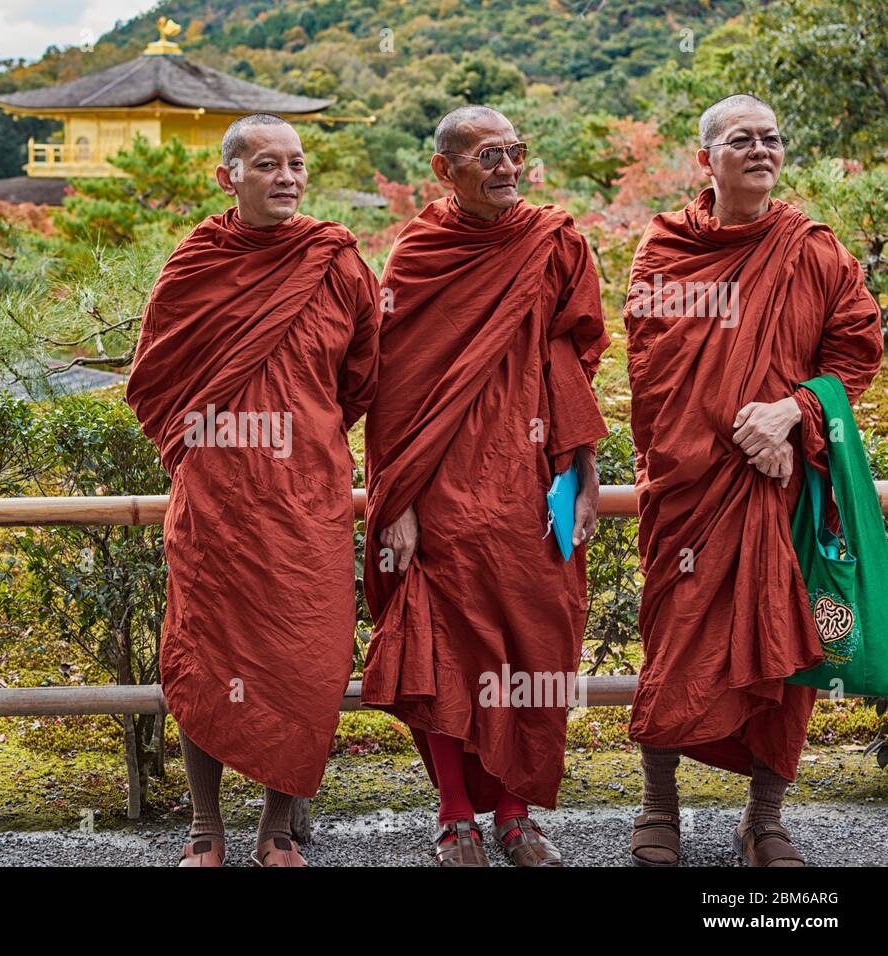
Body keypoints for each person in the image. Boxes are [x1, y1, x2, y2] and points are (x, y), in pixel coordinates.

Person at [624, 93, 883, 867]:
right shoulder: (665, 248)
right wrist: (735, 437)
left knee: (789, 646)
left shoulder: (813, 248)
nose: (762, 150)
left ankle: (765, 820)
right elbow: (651, 373)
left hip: (785, 487)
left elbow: (857, 349)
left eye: (772, 137)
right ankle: (657, 806)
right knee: (673, 636)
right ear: (705, 159)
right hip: (692, 486)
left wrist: (794, 414)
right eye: (742, 139)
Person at [125, 113, 381, 867]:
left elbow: (360, 377)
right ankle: (207, 829)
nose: (287, 177)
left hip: (307, 499)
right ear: (228, 176)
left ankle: (276, 829)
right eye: (267, 164)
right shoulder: (197, 263)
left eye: (296, 163)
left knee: (306, 658)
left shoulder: (336, 261)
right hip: (216, 502)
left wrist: (301, 433)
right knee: (206, 655)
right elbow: (152, 379)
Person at [361, 106, 609, 867]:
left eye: (515, 152)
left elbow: (574, 360)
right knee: (441, 653)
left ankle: (515, 813)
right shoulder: (417, 255)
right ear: (445, 170)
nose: (508, 167)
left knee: (538, 645)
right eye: (487, 156)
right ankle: (454, 815)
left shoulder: (555, 241)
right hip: (441, 489)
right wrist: (394, 502)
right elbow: (393, 389)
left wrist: (586, 475)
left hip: (539, 478)